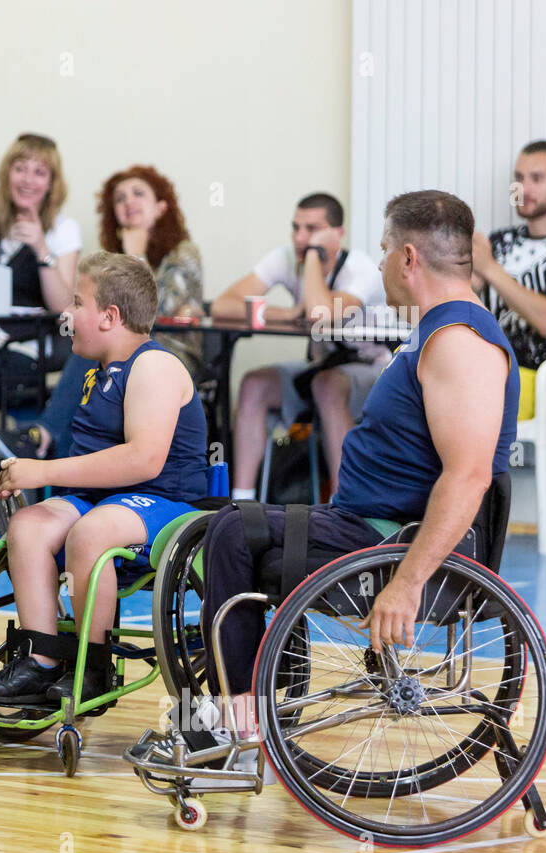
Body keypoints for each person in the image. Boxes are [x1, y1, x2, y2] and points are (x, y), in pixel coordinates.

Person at [195, 190, 518, 748]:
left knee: (231, 530)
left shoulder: (459, 342)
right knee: (226, 528)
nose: (383, 260)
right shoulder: (438, 330)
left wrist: (406, 584)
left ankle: (240, 723)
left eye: (386, 248)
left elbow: (469, 476)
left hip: (388, 537)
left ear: (409, 258)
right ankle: (257, 701)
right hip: (365, 523)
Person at [0, 252, 209, 709]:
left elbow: (143, 461)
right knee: (27, 526)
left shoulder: (154, 366)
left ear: (109, 316)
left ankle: (94, 669)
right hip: (100, 501)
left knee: (91, 531)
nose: (66, 314)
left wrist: (42, 470)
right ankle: (40, 660)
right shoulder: (94, 371)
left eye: (77, 303)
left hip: (165, 502)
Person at [212, 192, 389, 500]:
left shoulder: (359, 268)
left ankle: (343, 504)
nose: (300, 237)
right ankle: (241, 501)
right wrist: (285, 314)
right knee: (253, 384)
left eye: (312, 229)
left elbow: (318, 313)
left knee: (327, 386)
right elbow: (222, 307)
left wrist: (312, 257)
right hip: (320, 368)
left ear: (337, 234)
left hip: (373, 371)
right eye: (296, 228)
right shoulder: (285, 258)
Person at [26, 165, 205, 459]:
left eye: (138, 194)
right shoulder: (112, 257)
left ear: (161, 207)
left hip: (171, 352)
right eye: (120, 198)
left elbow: (149, 313)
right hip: (121, 348)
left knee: (96, 355)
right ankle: (59, 458)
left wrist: (136, 255)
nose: (128, 202)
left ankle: (44, 437)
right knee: (89, 355)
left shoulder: (184, 252)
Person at [0, 133, 82, 405]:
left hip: (27, 348)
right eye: (20, 169)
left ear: (52, 183)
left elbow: (64, 311)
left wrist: (41, 249)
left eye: (39, 172)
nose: (27, 180)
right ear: (7, 174)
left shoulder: (63, 230)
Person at [472, 137, 546, 421]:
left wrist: (489, 269)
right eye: (519, 178)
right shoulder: (499, 243)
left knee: (469, 389)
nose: (523, 188)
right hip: (493, 370)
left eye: (536, 178)